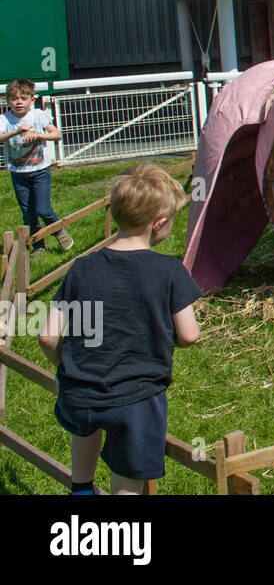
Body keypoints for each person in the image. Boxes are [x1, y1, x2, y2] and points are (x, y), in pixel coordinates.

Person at [38, 162, 202, 495]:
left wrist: (68, 368)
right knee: (128, 476)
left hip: (79, 392)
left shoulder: (81, 268)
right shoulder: (168, 270)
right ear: (159, 225)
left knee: (84, 427)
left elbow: (46, 336)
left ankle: (81, 488)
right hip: (135, 398)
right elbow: (189, 334)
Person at [1, 79, 74, 257]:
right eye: (13, 98)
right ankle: (38, 246)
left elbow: (57, 134)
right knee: (28, 213)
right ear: (7, 101)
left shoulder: (38, 115)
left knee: (43, 209)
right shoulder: (4, 119)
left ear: (32, 100)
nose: (18, 102)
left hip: (40, 170)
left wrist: (38, 135)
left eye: (23, 98)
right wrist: (16, 132)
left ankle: (58, 232)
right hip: (18, 172)